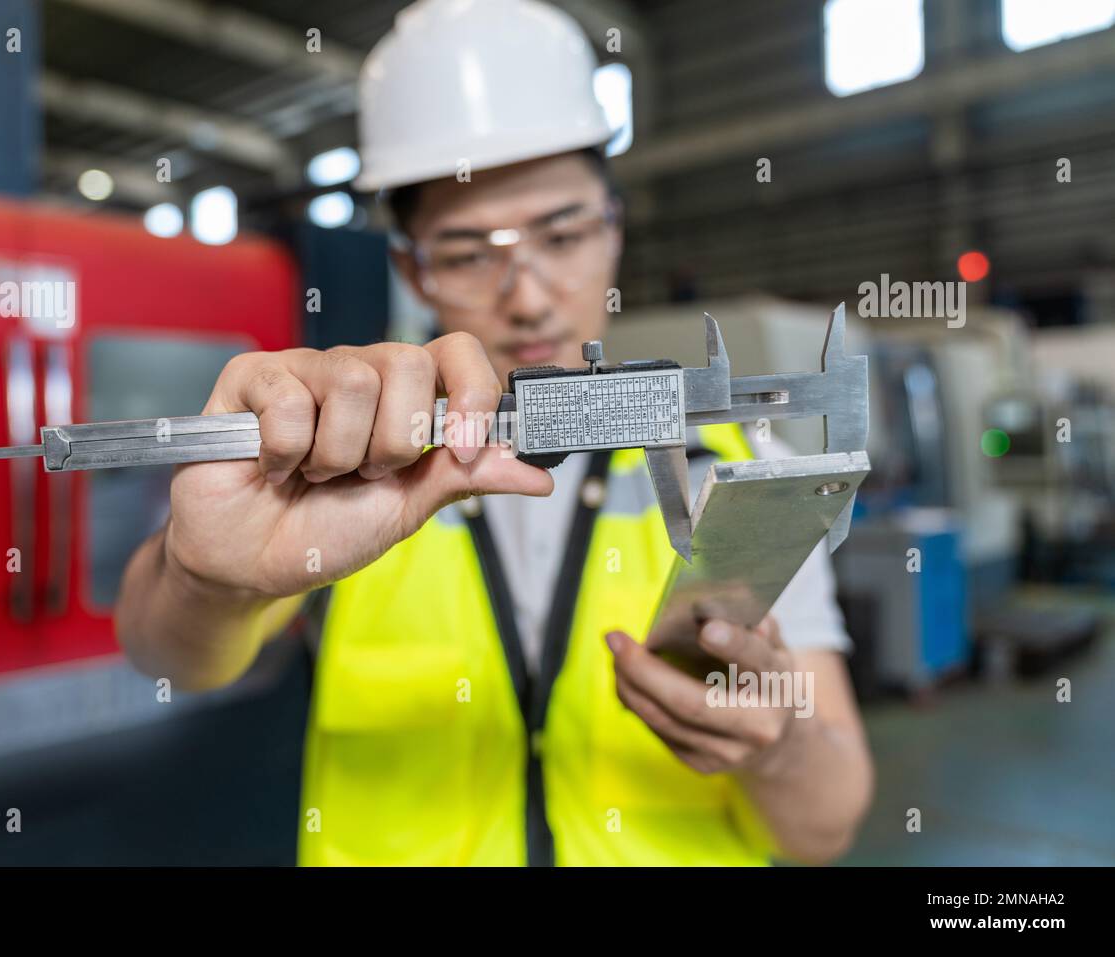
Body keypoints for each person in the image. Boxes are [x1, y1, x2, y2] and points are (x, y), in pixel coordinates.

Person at [115, 0, 873, 866]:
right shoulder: (339, 461)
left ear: (614, 228)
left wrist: (778, 746)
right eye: (471, 250)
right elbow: (166, 653)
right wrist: (204, 578)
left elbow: (825, 827)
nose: (528, 295)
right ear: (409, 264)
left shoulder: (742, 474)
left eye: (562, 233)